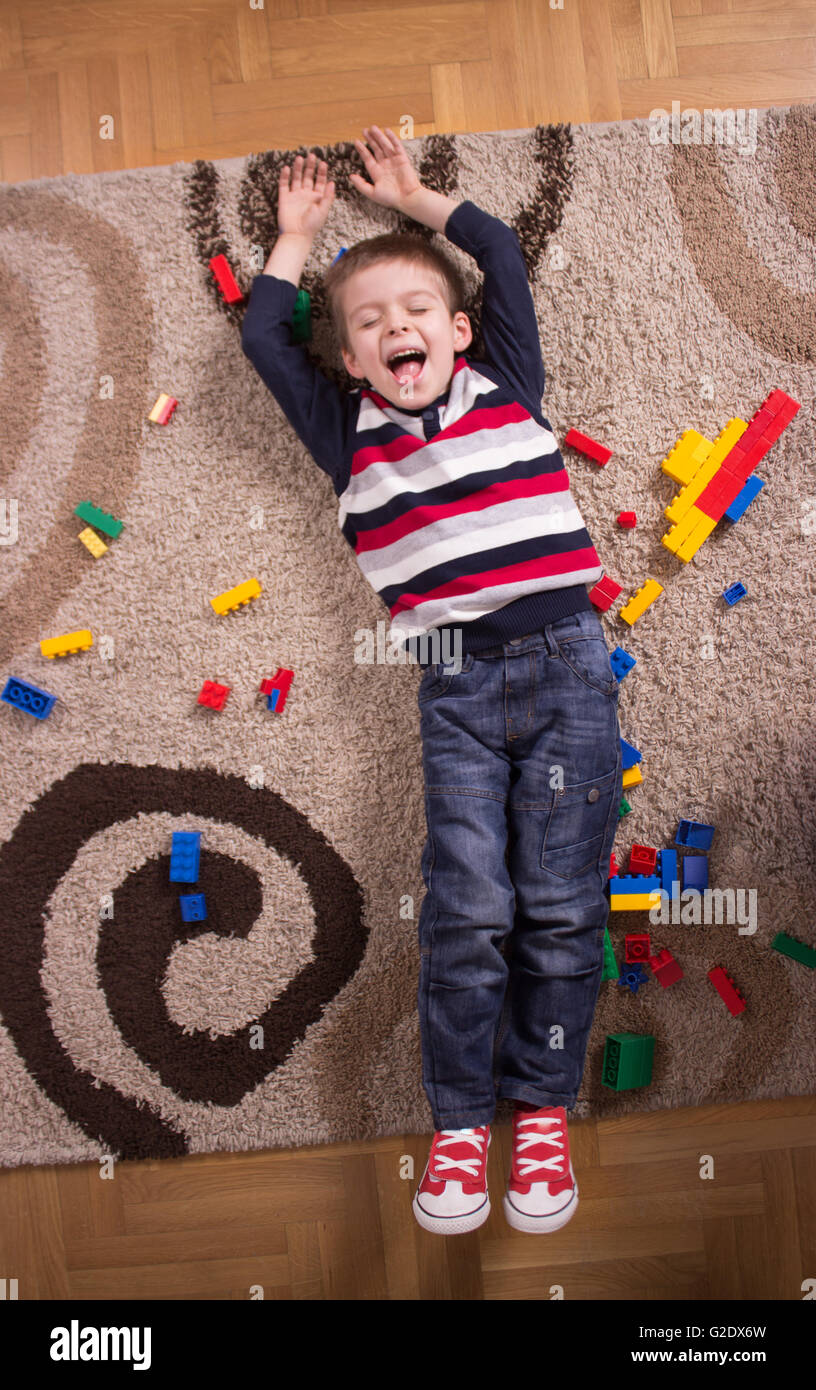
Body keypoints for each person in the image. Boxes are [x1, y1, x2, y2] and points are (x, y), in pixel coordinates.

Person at [241, 126, 623, 1236]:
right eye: (370, 325)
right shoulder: (346, 433)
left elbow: (498, 251)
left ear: (458, 334)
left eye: (415, 312)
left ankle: (539, 1109)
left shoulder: (506, 377)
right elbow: (268, 333)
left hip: (569, 668)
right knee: (469, 909)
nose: (395, 328)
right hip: (453, 688)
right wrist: (295, 237)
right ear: (353, 363)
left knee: (557, 906)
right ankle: (461, 1122)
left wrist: (416, 200)